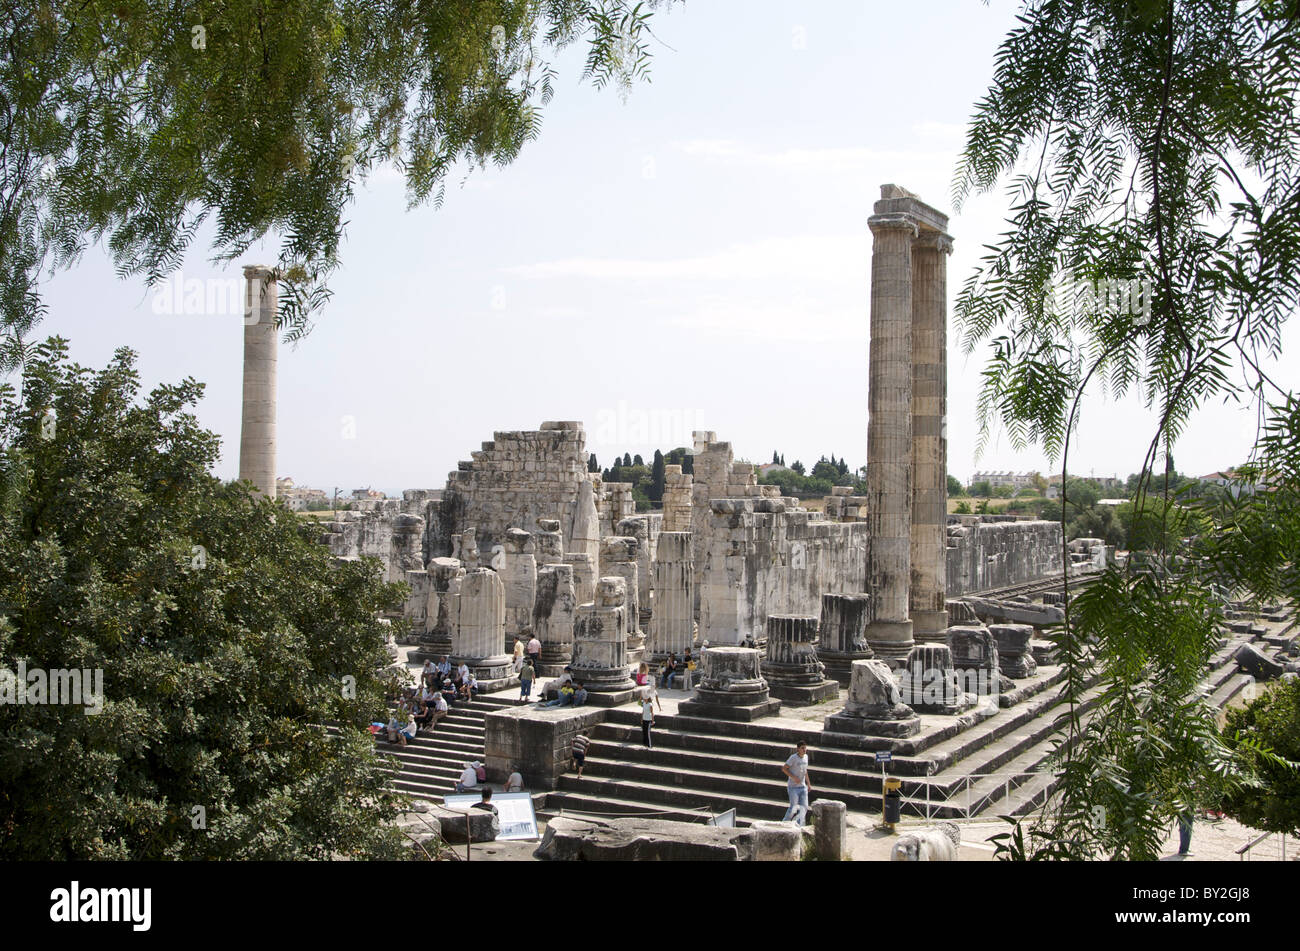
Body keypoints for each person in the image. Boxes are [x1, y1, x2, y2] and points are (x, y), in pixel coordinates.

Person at [781, 741, 812, 826]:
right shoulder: (793, 758)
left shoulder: (806, 757)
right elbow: (784, 768)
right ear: (798, 749)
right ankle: (784, 824)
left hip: (802, 787)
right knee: (793, 808)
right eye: (802, 748)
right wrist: (794, 777)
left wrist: (808, 784)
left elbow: (805, 771)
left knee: (804, 807)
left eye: (805, 748)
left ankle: (799, 825)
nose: (804, 750)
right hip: (793, 787)